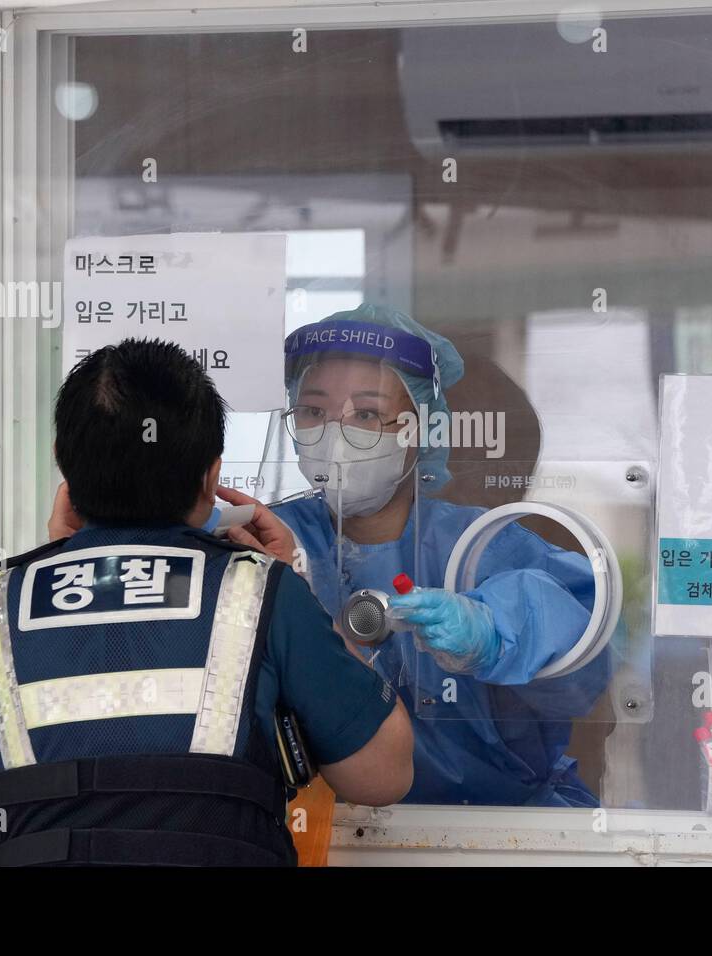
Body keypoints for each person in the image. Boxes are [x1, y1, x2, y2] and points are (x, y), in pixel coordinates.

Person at [51, 306, 611, 807]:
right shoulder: (263, 537)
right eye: (313, 412)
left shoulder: (482, 544)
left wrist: (493, 632)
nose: (335, 435)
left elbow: (585, 656)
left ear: (421, 429)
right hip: (317, 832)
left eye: (366, 415)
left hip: (489, 837)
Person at [0, 339, 412, 867]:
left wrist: (61, 557)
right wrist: (295, 581)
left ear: (64, 470)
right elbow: (383, 774)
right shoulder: (259, 593)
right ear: (211, 476)